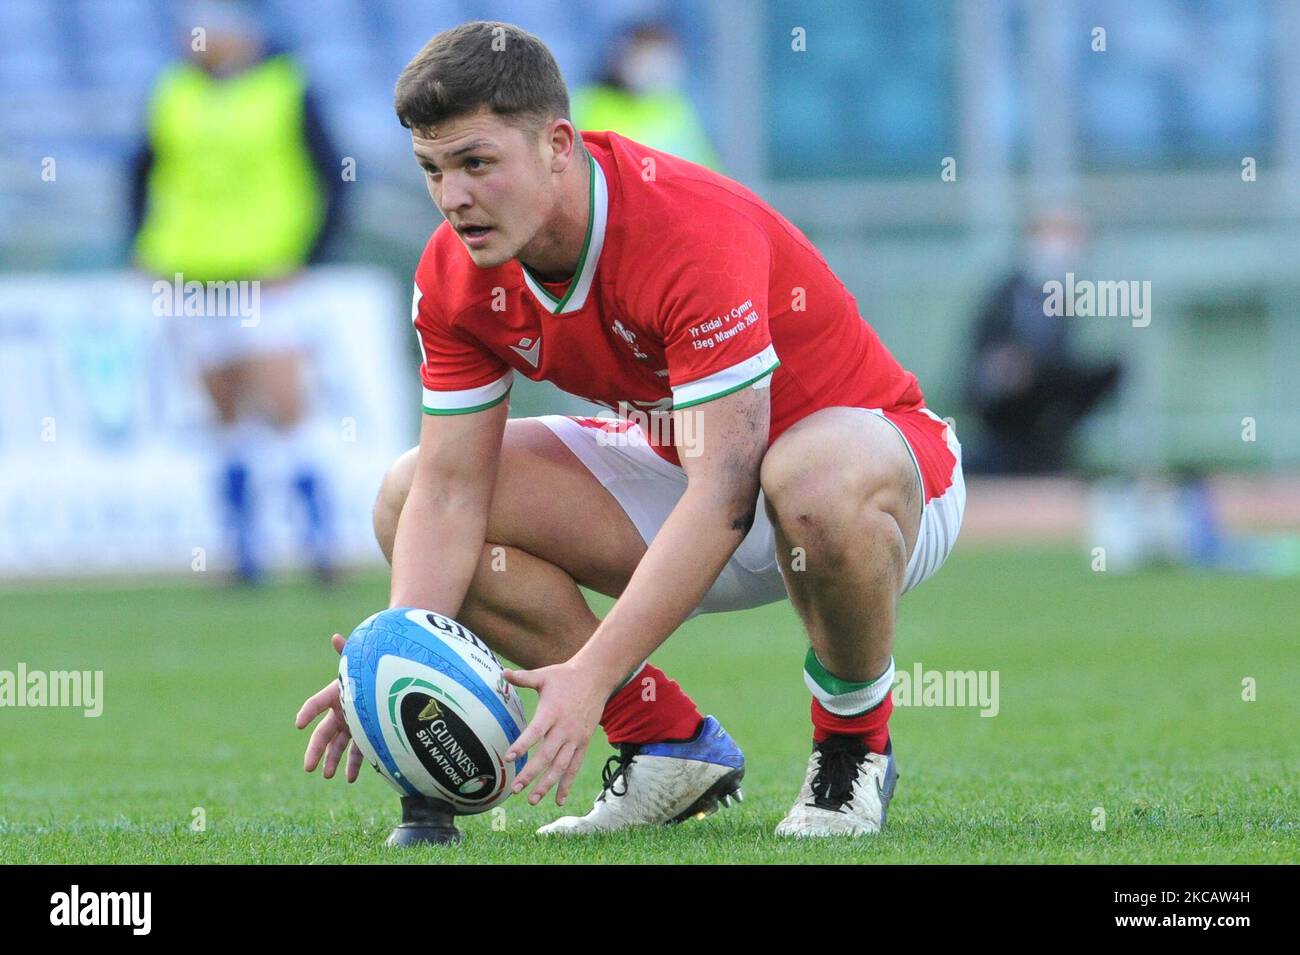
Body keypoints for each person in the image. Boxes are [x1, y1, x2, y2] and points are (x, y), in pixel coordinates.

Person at [296, 21, 965, 838]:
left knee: (811, 477)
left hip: (873, 480)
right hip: (691, 471)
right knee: (407, 500)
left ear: (557, 144)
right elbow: (449, 490)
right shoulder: (453, 270)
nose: (453, 197)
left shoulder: (685, 228)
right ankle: (664, 741)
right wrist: (392, 667)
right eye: (432, 170)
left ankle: (853, 751)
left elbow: (727, 487)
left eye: (476, 163)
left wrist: (588, 669)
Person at [130, 0, 343, 582]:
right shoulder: (173, 91)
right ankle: (243, 550)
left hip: (265, 277)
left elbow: (334, 176)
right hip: (194, 278)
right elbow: (143, 170)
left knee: (283, 404)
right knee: (222, 411)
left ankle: (319, 542)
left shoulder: (286, 87)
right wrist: (141, 245)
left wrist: (309, 257)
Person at [963, 210, 1123, 474]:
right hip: (1004, 430)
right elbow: (976, 376)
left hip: (1047, 431)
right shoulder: (1006, 296)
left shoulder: (1062, 299)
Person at [571, 21, 722, 169]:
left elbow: (704, 171)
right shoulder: (590, 105)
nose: (654, 70)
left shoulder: (676, 108)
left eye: (660, 60)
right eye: (644, 59)